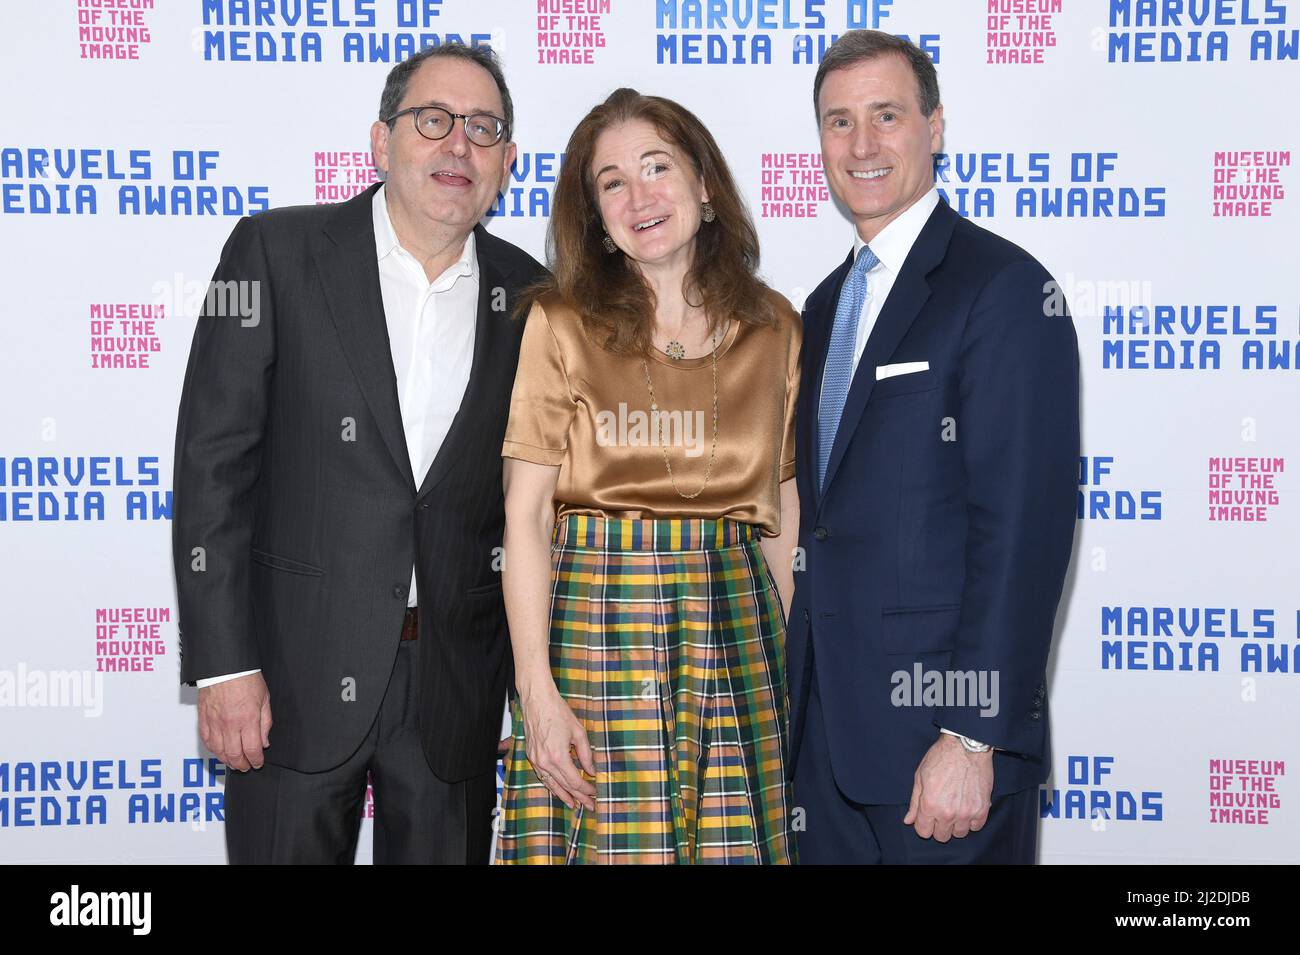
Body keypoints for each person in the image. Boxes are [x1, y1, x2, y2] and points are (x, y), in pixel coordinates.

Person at [172, 42, 546, 864]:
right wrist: (224, 666)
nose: (459, 145)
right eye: (434, 120)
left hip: (454, 691)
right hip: (290, 676)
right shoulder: (274, 254)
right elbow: (212, 469)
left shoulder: (532, 298)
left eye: (483, 129)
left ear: (508, 162)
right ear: (381, 142)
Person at [788, 30, 1079, 864]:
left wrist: (973, 736)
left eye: (887, 115)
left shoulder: (1005, 288)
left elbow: (1021, 528)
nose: (863, 144)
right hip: (826, 755)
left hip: (942, 757)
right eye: (838, 123)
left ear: (936, 124)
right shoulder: (821, 306)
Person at [493, 88, 801, 864]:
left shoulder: (775, 327)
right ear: (596, 215)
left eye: (657, 167)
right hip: (596, 622)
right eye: (613, 181)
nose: (641, 196)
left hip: (737, 627)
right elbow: (526, 517)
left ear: (704, 183)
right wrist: (536, 690)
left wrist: (793, 664)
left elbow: (781, 510)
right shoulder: (559, 323)